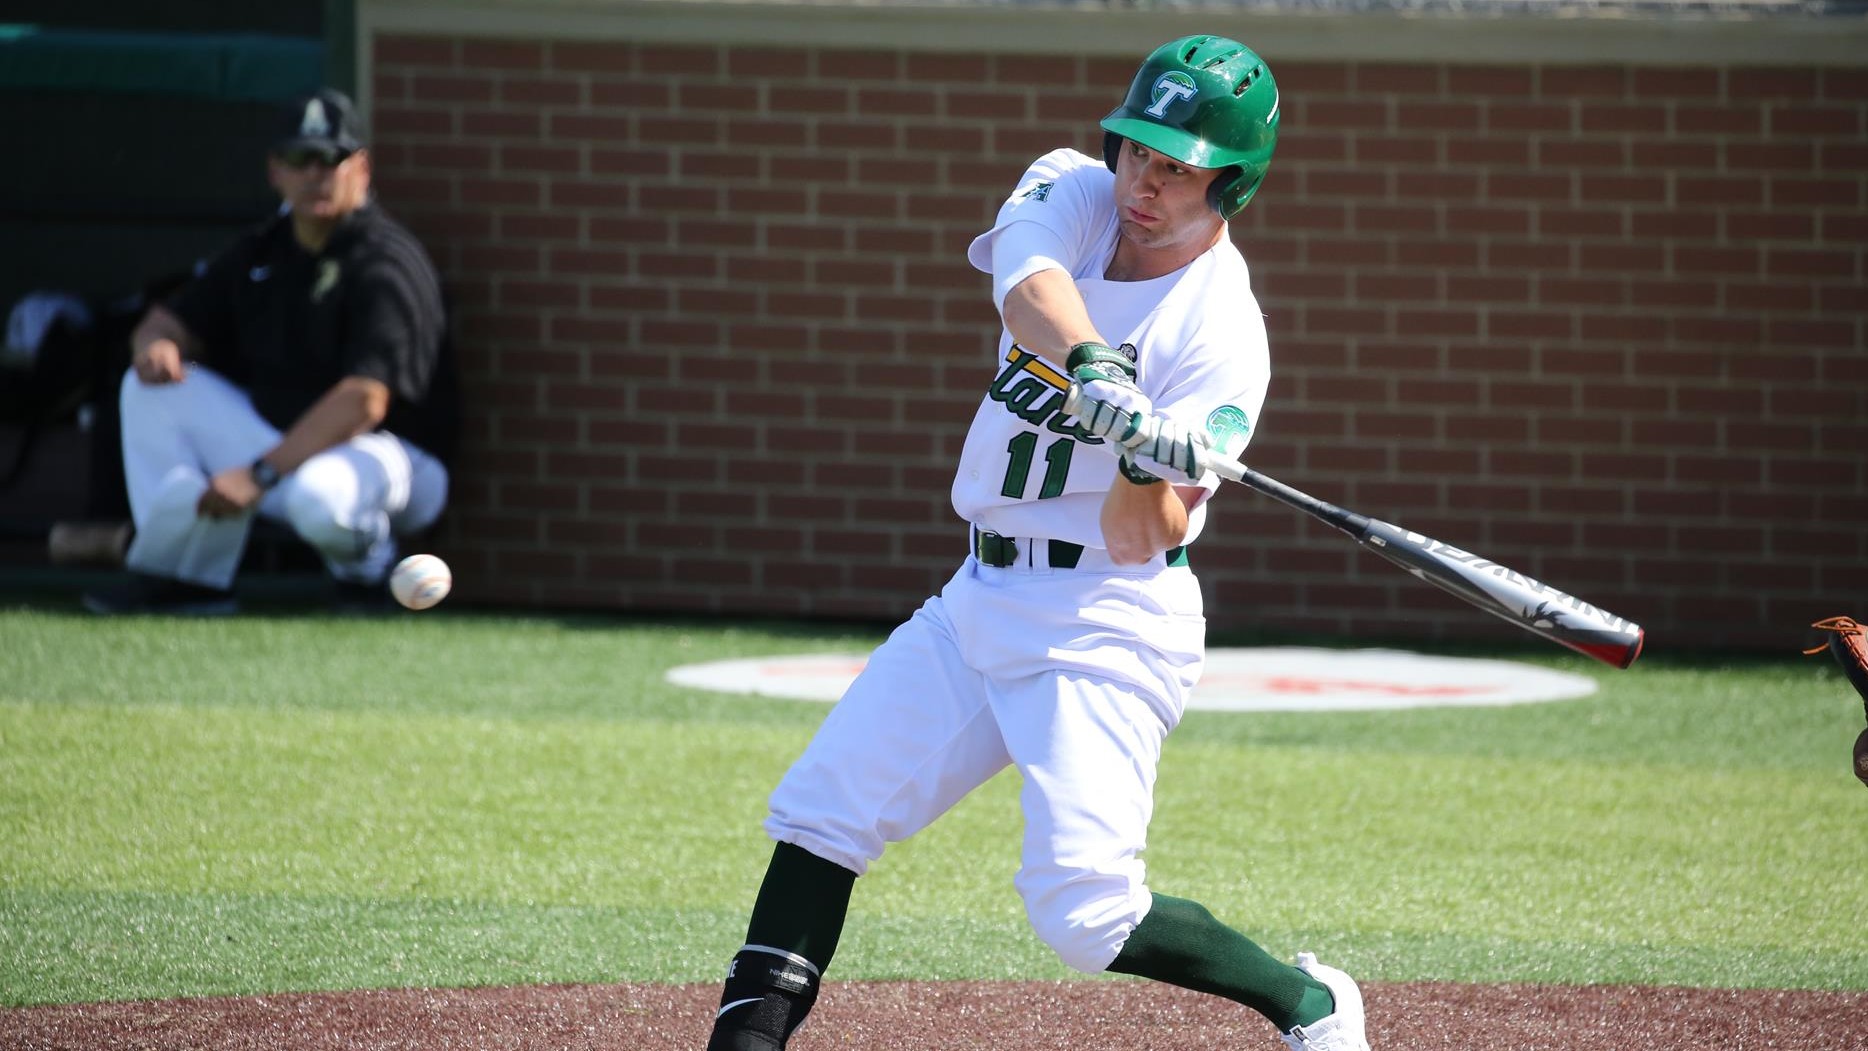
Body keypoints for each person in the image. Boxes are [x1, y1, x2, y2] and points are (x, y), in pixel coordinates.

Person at [703, 34, 1370, 1051]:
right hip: (979, 592)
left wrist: (1148, 456)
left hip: (1105, 618)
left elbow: (1137, 536)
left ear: (1229, 182)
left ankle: (1306, 1004)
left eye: (1177, 166)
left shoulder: (1223, 333)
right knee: (823, 809)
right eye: (1139, 150)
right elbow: (1025, 282)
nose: (1145, 181)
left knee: (1084, 916)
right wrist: (1099, 370)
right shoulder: (1071, 186)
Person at [83, 87, 457, 615]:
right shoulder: (264, 247)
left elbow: (365, 402)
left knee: (320, 499)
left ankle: (369, 577)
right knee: (145, 389)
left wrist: (257, 474)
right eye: (300, 158)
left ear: (361, 169)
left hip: (392, 457)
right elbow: (171, 319)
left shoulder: (386, 261)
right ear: (275, 170)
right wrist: (156, 345)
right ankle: (186, 578)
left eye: (331, 159)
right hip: (282, 446)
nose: (315, 174)